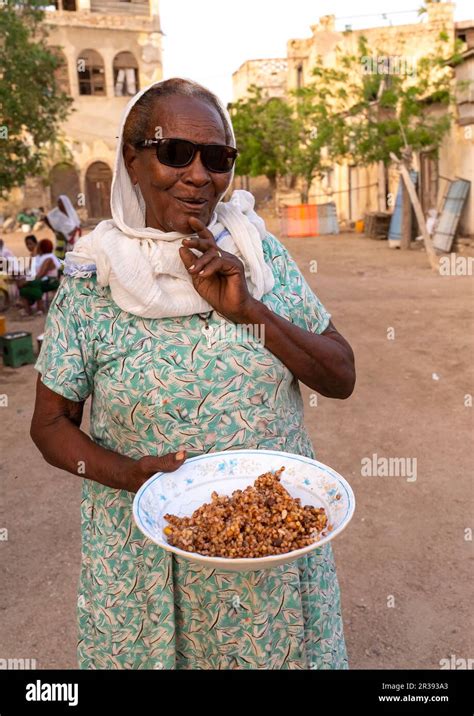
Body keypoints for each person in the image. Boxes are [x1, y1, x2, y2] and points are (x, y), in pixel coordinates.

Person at [30, 78, 356, 670]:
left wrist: (249, 310)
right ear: (133, 159)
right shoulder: (92, 281)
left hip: (267, 549)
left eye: (218, 157)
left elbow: (340, 375)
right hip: (144, 559)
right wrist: (130, 476)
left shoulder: (259, 257)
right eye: (175, 152)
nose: (200, 174)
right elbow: (50, 425)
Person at [18, 238, 61, 316]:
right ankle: (28, 309)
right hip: (41, 280)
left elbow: (41, 274)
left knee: (33, 283)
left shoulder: (49, 258)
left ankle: (40, 308)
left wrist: (27, 281)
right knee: (23, 286)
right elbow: (30, 270)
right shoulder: (39, 257)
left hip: (51, 281)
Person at [44, 195, 81, 261]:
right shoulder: (56, 212)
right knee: (60, 255)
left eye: (60, 202)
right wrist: (53, 229)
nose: (59, 204)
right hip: (61, 238)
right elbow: (46, 218)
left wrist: (74, 234)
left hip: (73, 237)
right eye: (58, 202)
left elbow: (77, 224)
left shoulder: (71, 211)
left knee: (73, 256)